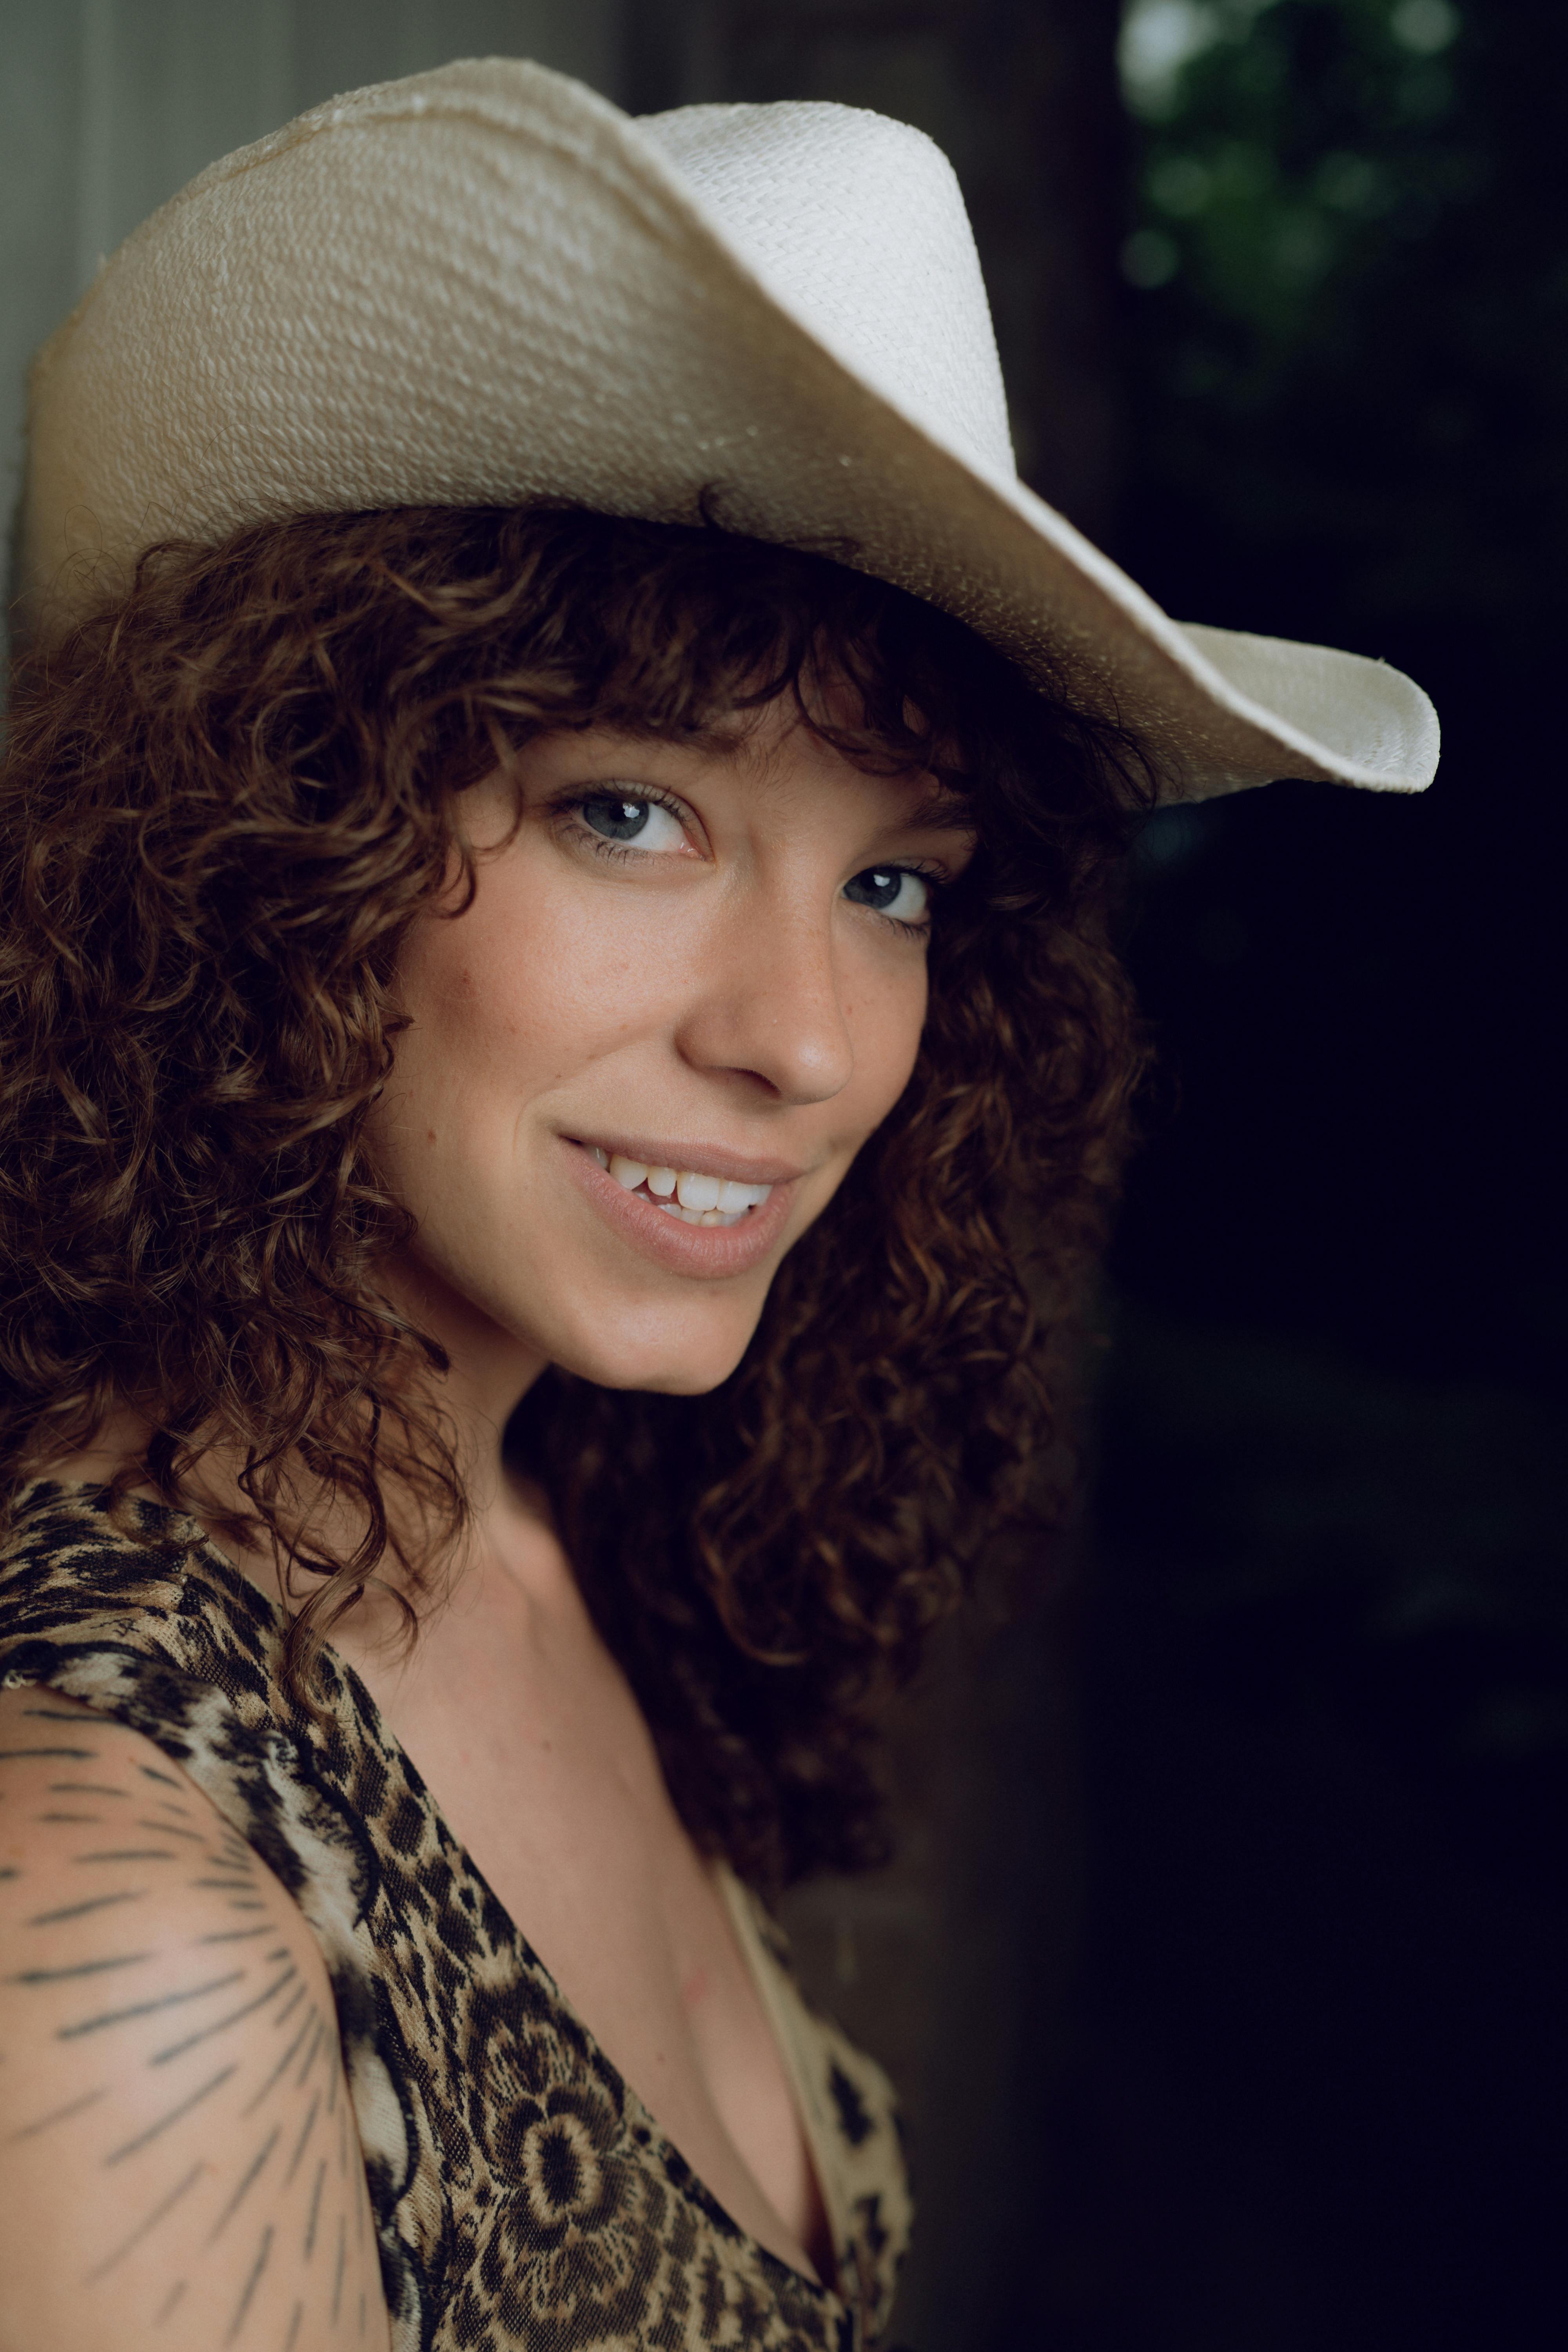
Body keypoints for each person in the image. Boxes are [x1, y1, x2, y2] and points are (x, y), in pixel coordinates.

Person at [0, 57, 1437, 2352]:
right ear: (275, 838)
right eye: (632, 816)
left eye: (892, 882)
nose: (812, 1042)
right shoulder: (110, 1928)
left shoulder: (566, 1530)